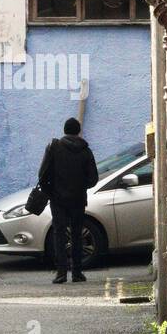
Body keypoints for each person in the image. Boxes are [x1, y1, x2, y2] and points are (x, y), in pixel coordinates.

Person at [38, 118, 98, 284]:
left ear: (64, 130)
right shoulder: (86, 151)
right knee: (77, 234)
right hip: (78, 200)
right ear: (78, 131)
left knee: (59, 234)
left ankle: (61, 273)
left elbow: (42, 175)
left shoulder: (54, 148)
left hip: (58, 200)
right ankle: (77, 273)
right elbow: (93, 179)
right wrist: (80, 186)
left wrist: (51, 191)